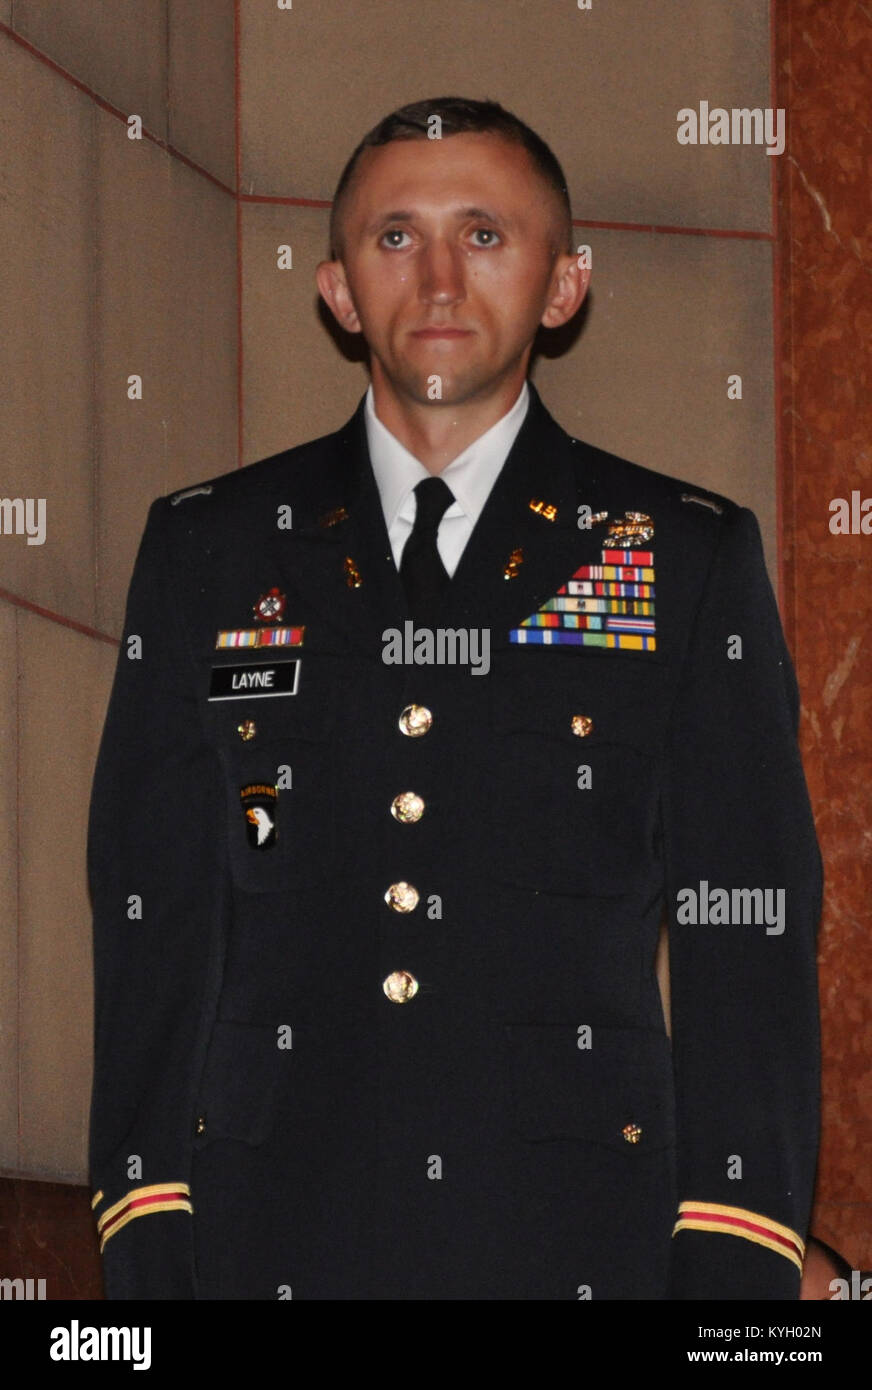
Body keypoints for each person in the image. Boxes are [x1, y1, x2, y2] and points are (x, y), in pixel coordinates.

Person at [88, 96, 822, 1300]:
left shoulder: (674, 557)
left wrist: (733, 1266)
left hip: (584, 1241)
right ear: (335, 290)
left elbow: (744, 933)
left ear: (561, 283)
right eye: (393, 237)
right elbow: (153, 919)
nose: (436, 276)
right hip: (266, 1238)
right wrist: (148, 1234)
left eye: (483, 234)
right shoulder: (213, 551)